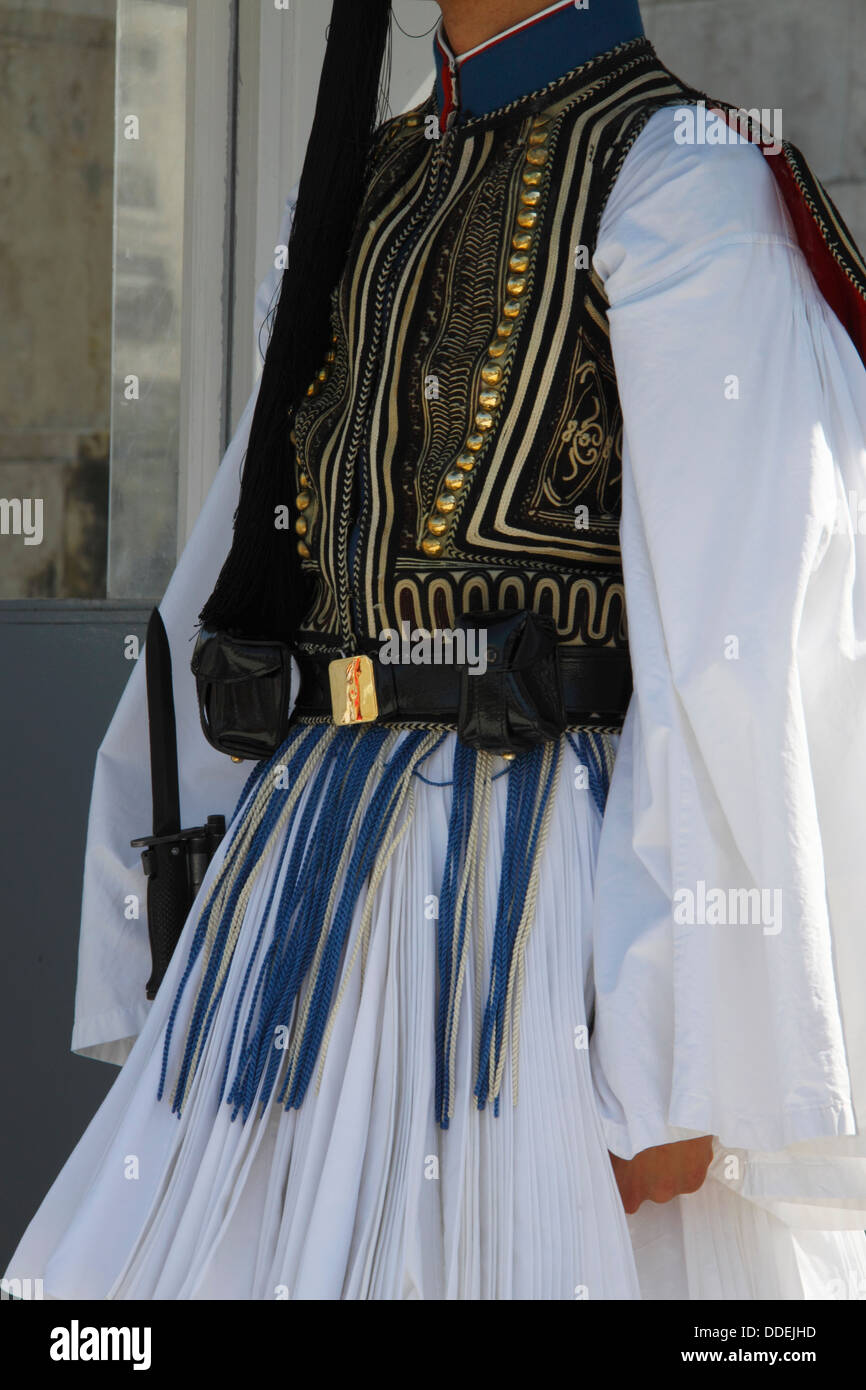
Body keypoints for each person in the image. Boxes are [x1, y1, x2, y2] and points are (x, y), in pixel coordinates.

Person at [6, 0, 866, 1300]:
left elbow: (735, 631)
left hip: (543, 919)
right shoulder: (368, 185)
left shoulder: (675, 174)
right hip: (305, 889)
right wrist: (160, 875)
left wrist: (686, 1044)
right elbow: (239, 574)